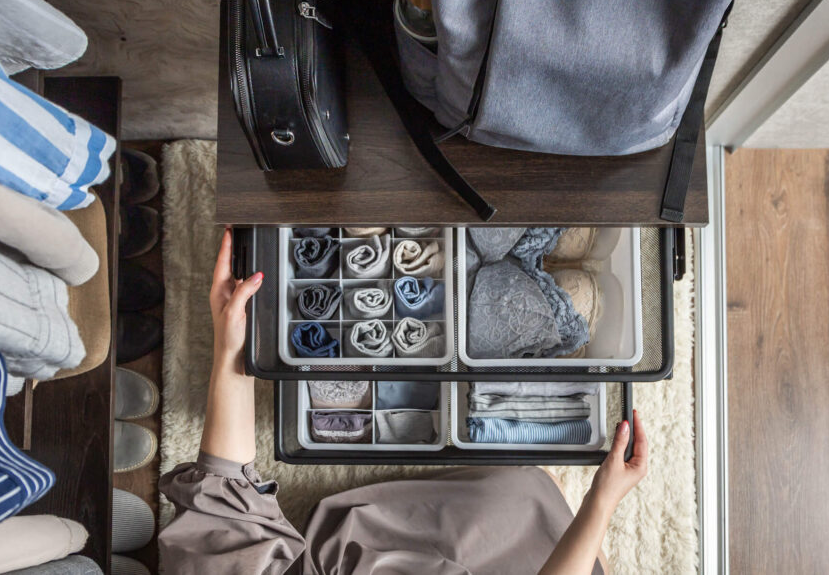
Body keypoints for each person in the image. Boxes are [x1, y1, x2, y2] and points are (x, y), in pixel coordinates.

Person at [157, 229, 648, 574]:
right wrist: (599, 504)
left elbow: (225, 504)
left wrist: (233, 347)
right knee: (540, 514)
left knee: (529, 507)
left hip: (361, 548)